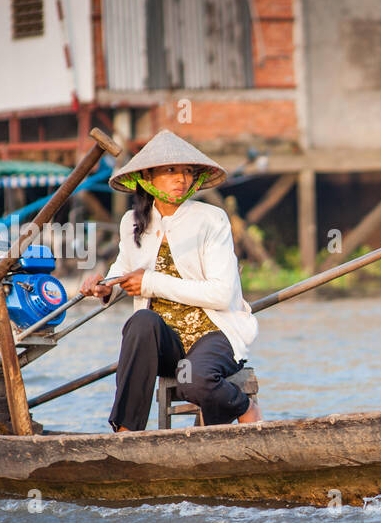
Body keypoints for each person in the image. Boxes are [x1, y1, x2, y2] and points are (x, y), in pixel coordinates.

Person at [80, 130, 261, 432]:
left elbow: (222, 294)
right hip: (165, 344)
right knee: (140, 322)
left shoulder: (211, 219)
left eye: (188, 172)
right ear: (148, 177)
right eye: (171, 171)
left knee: (195, 381)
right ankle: (126, 434)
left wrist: (150, 282)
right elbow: (122, 268)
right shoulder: (132, 222)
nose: (182, 179)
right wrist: (104, 286)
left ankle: (245, 407)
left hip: (212, 332)